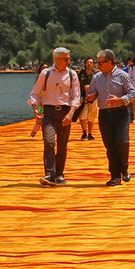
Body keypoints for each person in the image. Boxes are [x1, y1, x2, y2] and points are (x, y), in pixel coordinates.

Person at [27, 47, 81, 187]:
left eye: (69, 59)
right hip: (49, 113)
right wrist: (35, 109)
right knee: (49, 142)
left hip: (65, 112)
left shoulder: (72, 74)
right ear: (56, 59)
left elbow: (76, 97)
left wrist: (70, 113)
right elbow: (34, 94)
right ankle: (50, 174)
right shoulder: (46, 73)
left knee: (62, 145)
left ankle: (60, 174)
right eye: (66, 59)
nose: (69, 61)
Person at [88, 49, 135, 185]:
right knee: (110, 146)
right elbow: (92, 93)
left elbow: (133, 94)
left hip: (121, 113)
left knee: (122, 141)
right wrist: (91, 97)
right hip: (105, 115)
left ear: (109, 62)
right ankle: (115, 176)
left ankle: (124, 168)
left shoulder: (123, 76)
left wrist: (120, 100)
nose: (98, 66)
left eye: (100, 63)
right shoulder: (96, 78)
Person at [75, 57, 97, 140]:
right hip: (82, 97)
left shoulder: (96, 75)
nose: (89, 64)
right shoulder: (80, 74)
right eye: (87, 62)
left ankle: (90, 133)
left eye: (91, 63)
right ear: (85, 64)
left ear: (93, 64)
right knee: (83, 115)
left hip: (93, 98)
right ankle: (84, 132)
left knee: (92, 115)